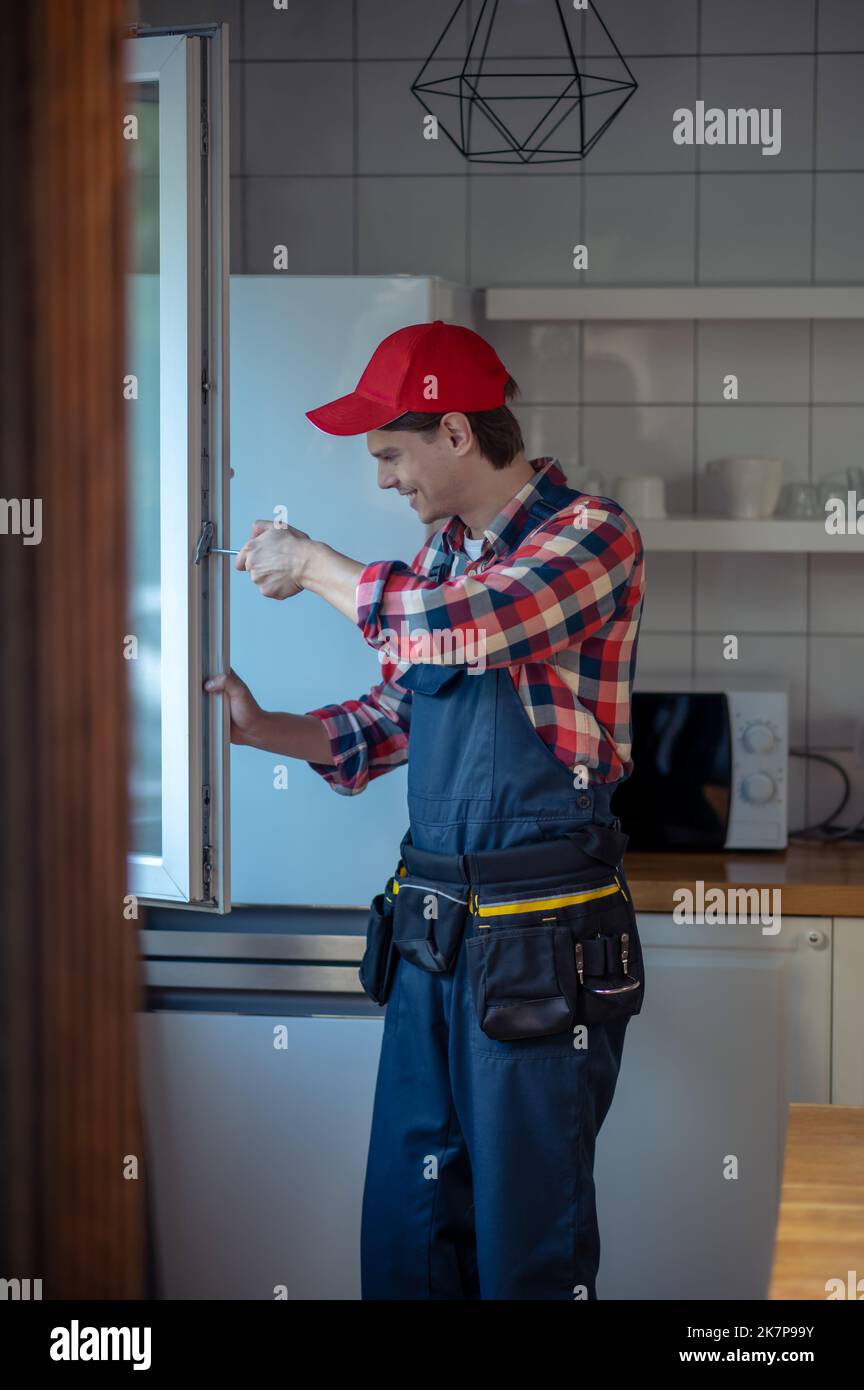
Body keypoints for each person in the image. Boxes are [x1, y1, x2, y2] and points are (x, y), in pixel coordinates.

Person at [206, 320, 646, 1301]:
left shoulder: (591, 535)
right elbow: (393, 715)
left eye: (389, 453)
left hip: (541, 948)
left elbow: (471, 628)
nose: (382, 480)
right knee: (409, 1236)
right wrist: (260, 727)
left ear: (455, 432)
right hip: (431, 937)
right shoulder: (440, 557)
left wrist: (315, 564)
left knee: (525, 1244)